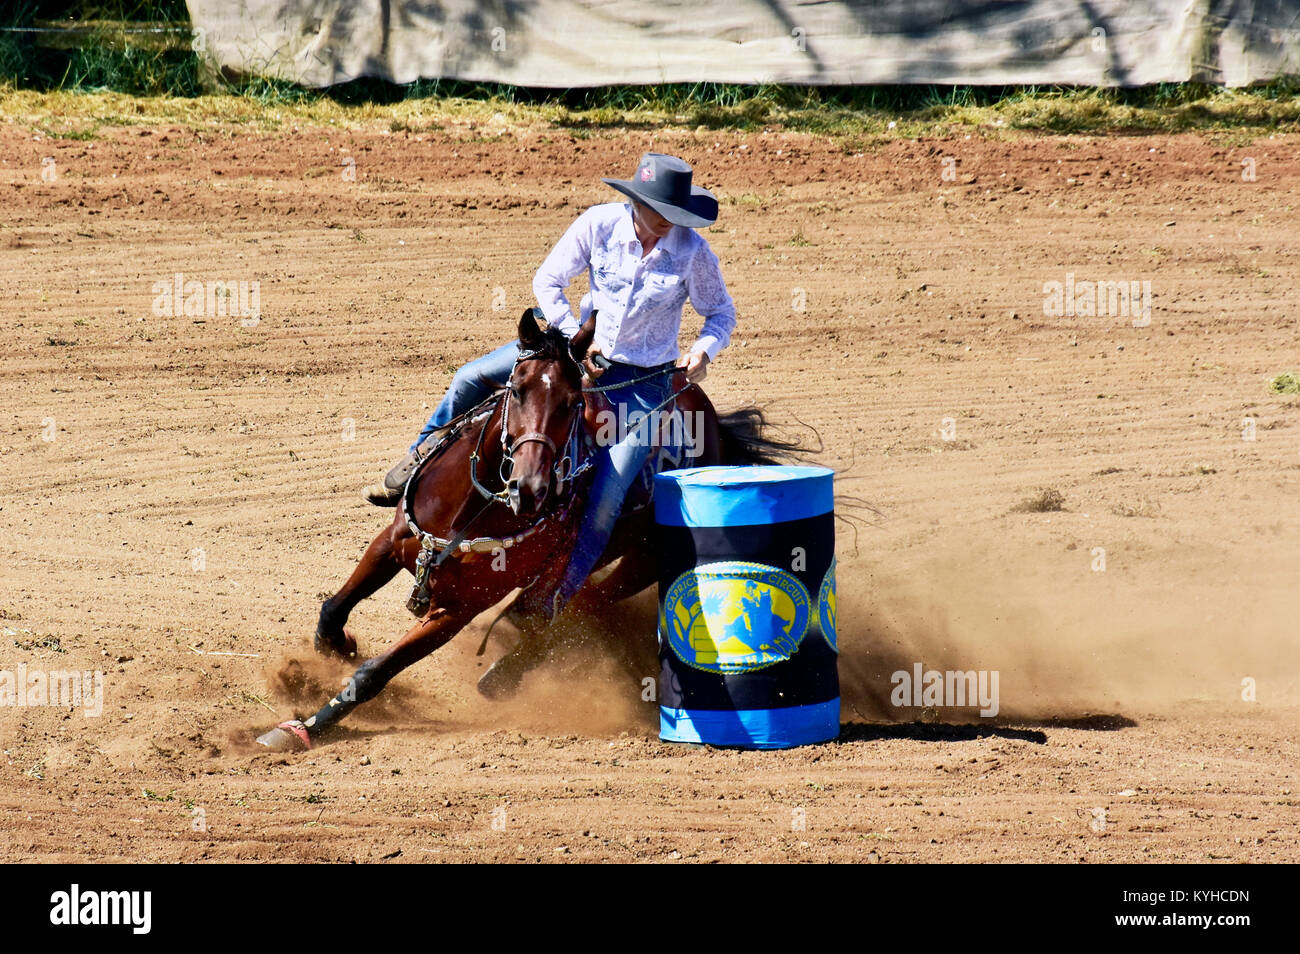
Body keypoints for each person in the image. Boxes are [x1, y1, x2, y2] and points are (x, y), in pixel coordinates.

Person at [361, 152, 736, 618]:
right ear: (636, 201)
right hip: (573, 350)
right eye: (659, 210)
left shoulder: (693, 252)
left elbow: (721, 313)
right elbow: (548, 281)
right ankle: (415, 460)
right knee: (470, 377)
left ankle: (555, 596)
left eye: (674, 212)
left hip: (642, 384)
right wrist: (575, 338)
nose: (667, 221)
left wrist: (703, 350)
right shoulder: (599, 225)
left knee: (609, 492)